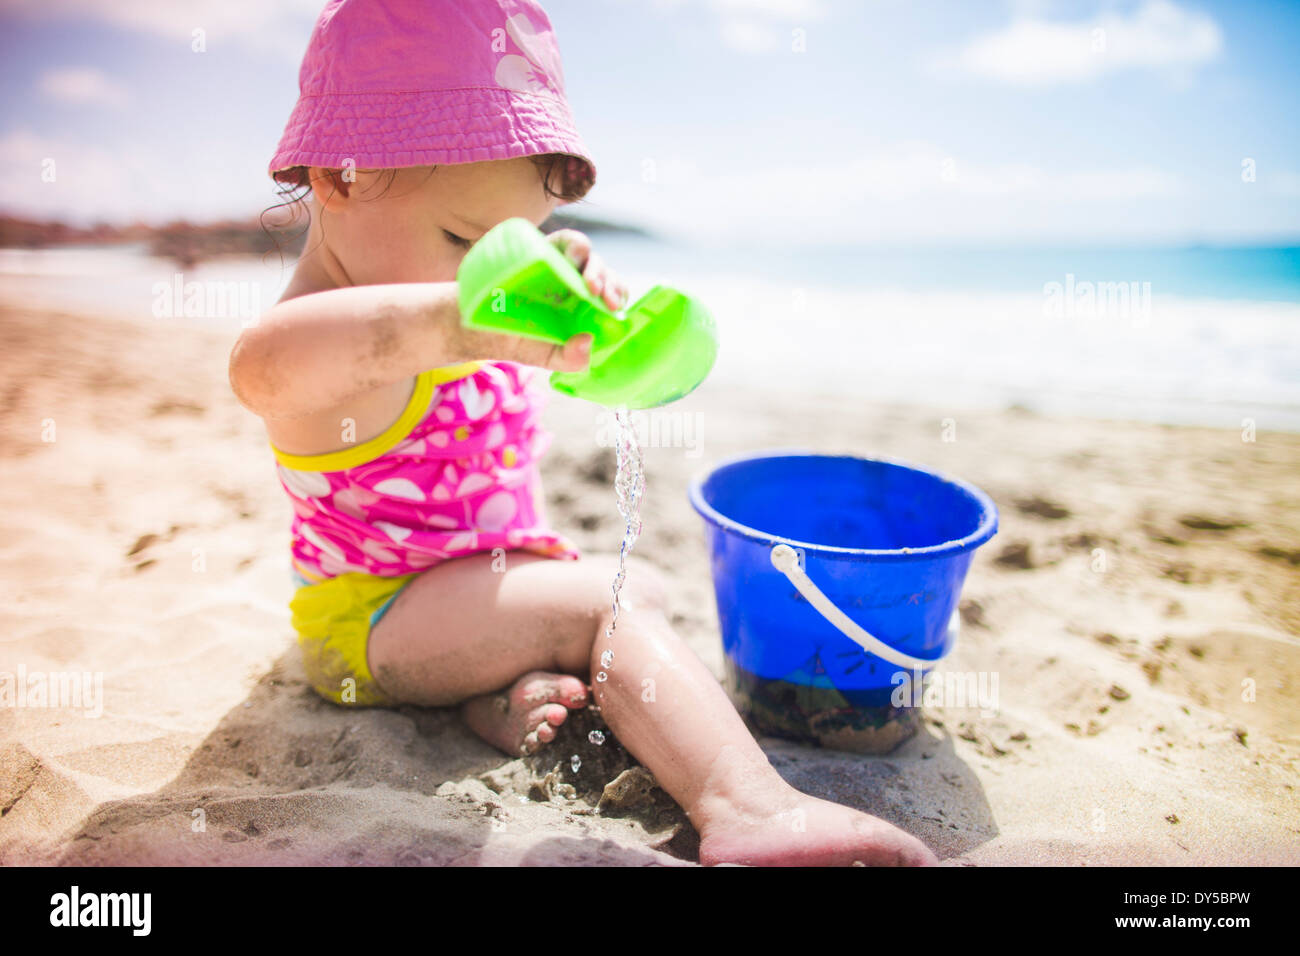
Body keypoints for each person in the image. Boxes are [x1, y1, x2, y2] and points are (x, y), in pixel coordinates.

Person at [230, 0, 936, 866]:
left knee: (650, 598)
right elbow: (265, 368)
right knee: (605, 608)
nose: (490, 272)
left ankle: (487, 694)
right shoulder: (322, 333)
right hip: (373, 623)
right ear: (337, 177)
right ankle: (752, 810)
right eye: (464, 238)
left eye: (519, 240)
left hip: (479, 586)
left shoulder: (451, 289)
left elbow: (499, 319)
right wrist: (461, 323)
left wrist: (565, 300)